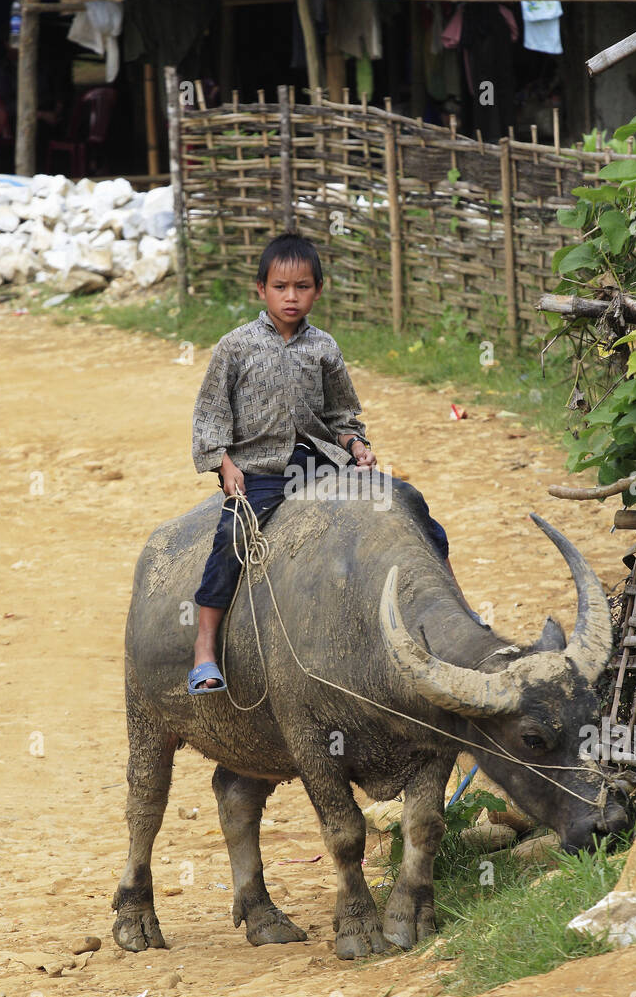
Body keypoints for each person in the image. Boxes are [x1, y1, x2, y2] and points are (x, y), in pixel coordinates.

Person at [187, 232, 473, 693]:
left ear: (318, 290)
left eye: (302, 287)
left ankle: (458, 614)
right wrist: (224, 464)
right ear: (260, 289)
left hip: (321, 462)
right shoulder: (234, 347)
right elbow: (210, 416)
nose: (292, 297)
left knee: (406, 506)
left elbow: (342, 414)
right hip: (261, 468)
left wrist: (356, 444)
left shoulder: (324, 347)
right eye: (281, 287)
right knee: (231, 538)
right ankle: (204, 650)